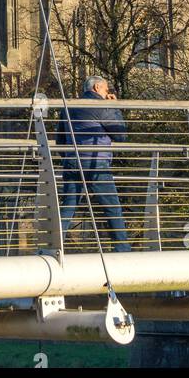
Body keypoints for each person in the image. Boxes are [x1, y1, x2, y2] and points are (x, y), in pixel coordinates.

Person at [58, 75, 130, 251]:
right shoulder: (102, 106)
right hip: (96, 164)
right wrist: (115, 107)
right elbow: (120, 134)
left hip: (72, 162)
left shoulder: (69, 107)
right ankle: (123, 250)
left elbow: (60, 140)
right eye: (106, 90)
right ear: (97, 87)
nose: (107, 93)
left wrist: (70, 157)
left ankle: (54, 245)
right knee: (111, 207)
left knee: (68, 207)